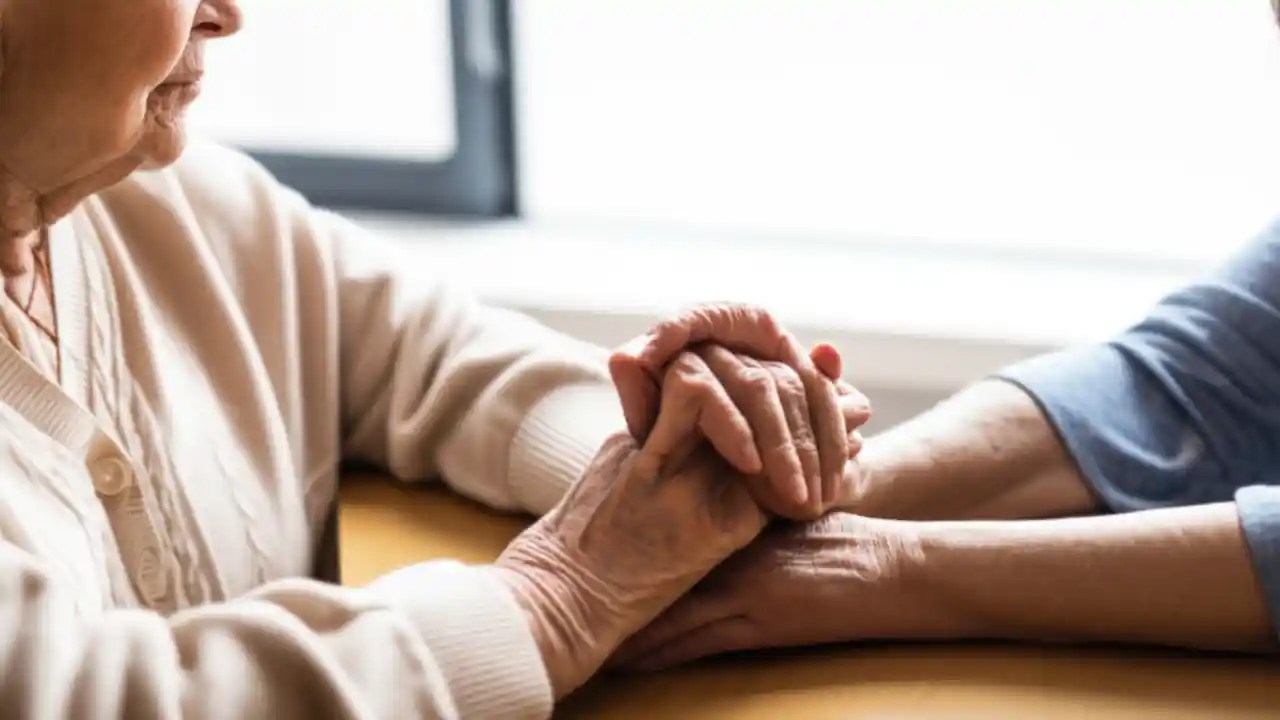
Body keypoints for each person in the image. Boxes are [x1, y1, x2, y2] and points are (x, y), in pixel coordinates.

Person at [0, 1, 876, 717]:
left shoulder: (171, 205)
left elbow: (434, 358)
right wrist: (556, 597)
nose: (227, 16)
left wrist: (685, 432)